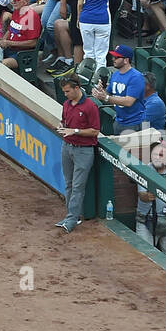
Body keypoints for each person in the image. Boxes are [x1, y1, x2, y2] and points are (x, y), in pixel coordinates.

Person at [55, 75, 100, 233]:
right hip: (67, 147)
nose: (65, 94)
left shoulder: (90, 106)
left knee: (77, 186)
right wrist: (62, 126)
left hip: (84, 151)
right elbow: (64, 121)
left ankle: (72, 219)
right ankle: (71, 216)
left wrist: (74, 131)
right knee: (68, 183)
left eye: (67, 91)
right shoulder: (66, 104)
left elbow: (95, 131)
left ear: (76, 88)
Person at [95, 44, 147, 133]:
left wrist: (106, 97)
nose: (113, 59)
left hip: (134, 123)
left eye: (116, 57)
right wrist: (101, 92)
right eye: (113, 56)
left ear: (126, 60)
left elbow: (129, 102)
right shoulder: (115, 75)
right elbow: (108, 94)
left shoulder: (136, 77)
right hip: (119, 120)